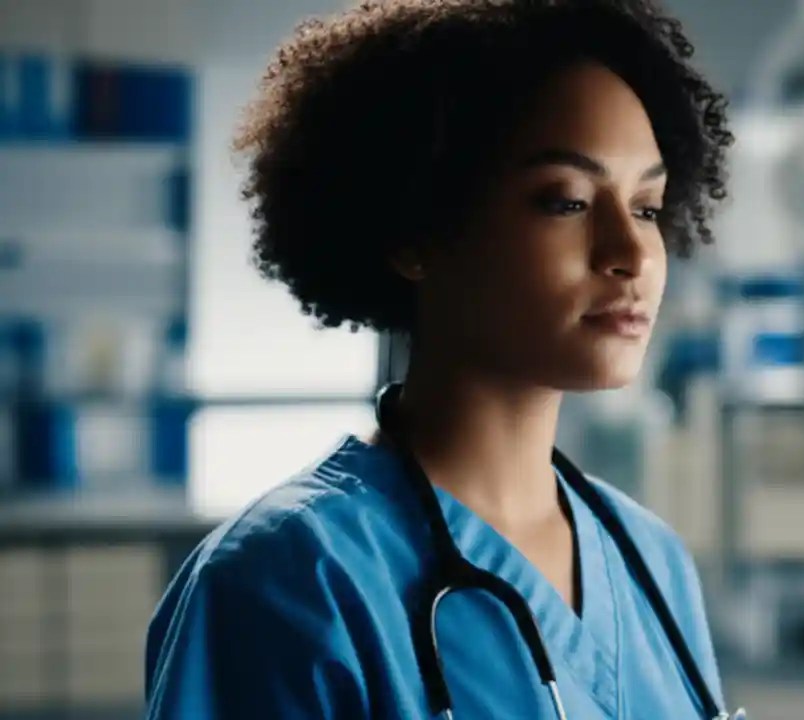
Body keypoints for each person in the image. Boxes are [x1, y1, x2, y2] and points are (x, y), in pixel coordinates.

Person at [143, 0, 735, 717]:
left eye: (646, 207)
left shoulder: (650, 561)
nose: (631, 252)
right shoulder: (290, 580)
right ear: (416, 232)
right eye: (566, 202)